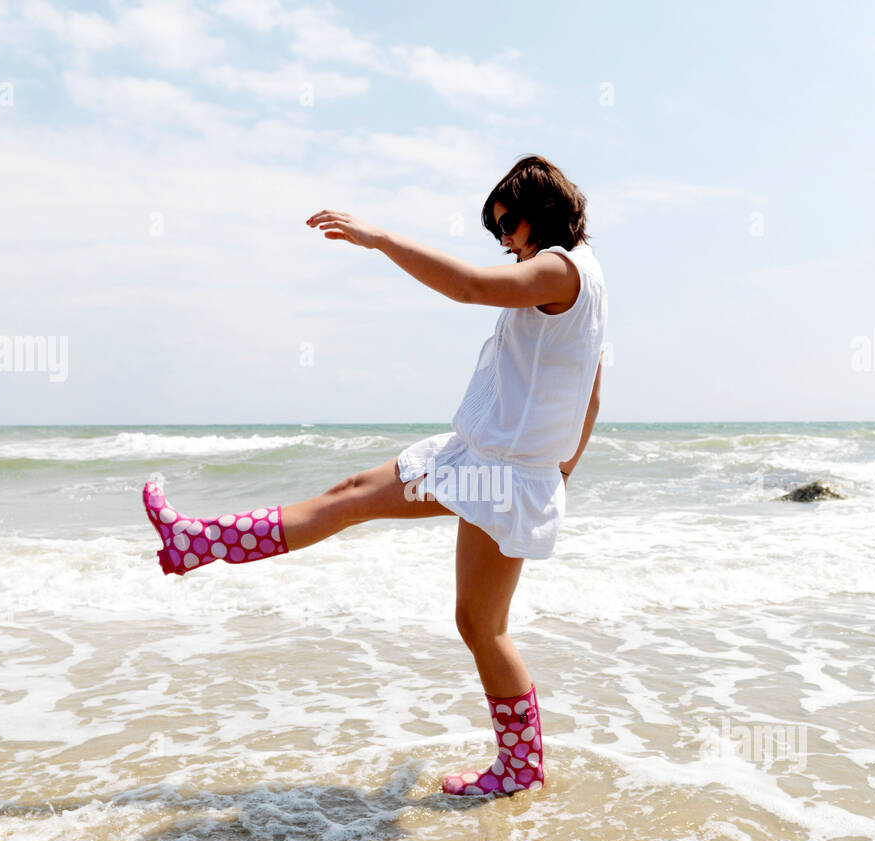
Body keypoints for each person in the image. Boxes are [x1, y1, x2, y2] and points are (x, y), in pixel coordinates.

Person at [142, 154, 606, 797]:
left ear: (543, 213)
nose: (504, 243)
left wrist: (380, 238)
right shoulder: (588, 285)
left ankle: (521, 768)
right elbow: (593, 396)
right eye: (496, 230)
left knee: (460, 604)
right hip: (491, 465)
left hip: (497, 473)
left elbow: (469, 288)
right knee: (412, 555)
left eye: (509, 226)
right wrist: (559, 475)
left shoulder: (558, 267)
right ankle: (197, 542)